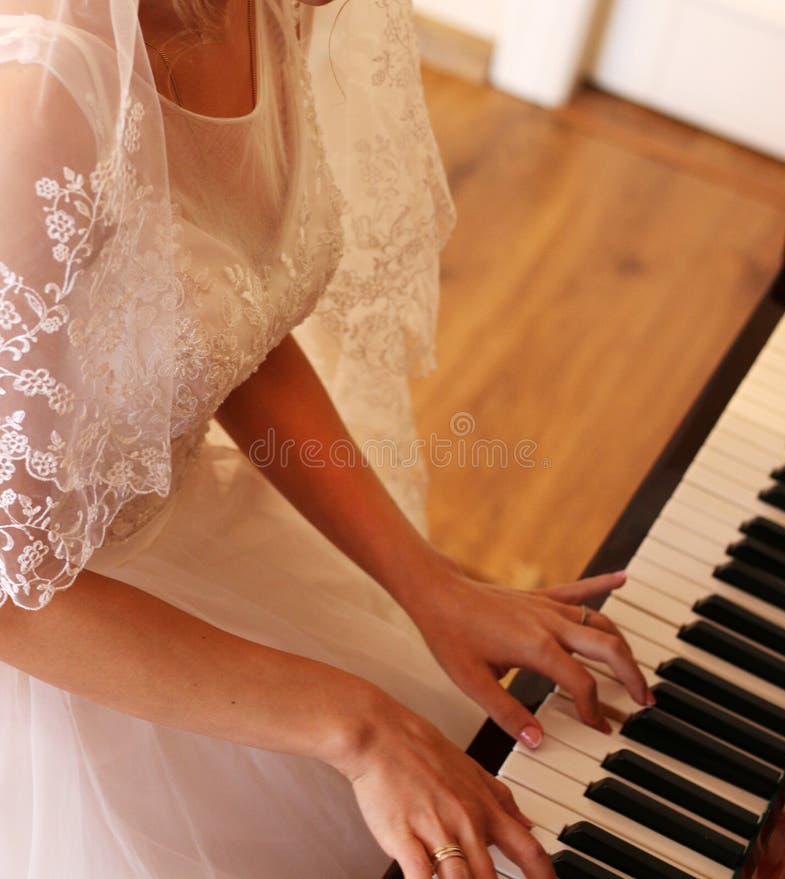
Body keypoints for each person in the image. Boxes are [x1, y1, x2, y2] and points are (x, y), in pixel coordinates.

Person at [0, 0, 650, 876]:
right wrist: (358, 726)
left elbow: (220, 321)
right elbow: (14, 592)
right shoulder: (43, 103)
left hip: (184, 554)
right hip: (70, 657)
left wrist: (428, 583)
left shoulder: (270, 9)